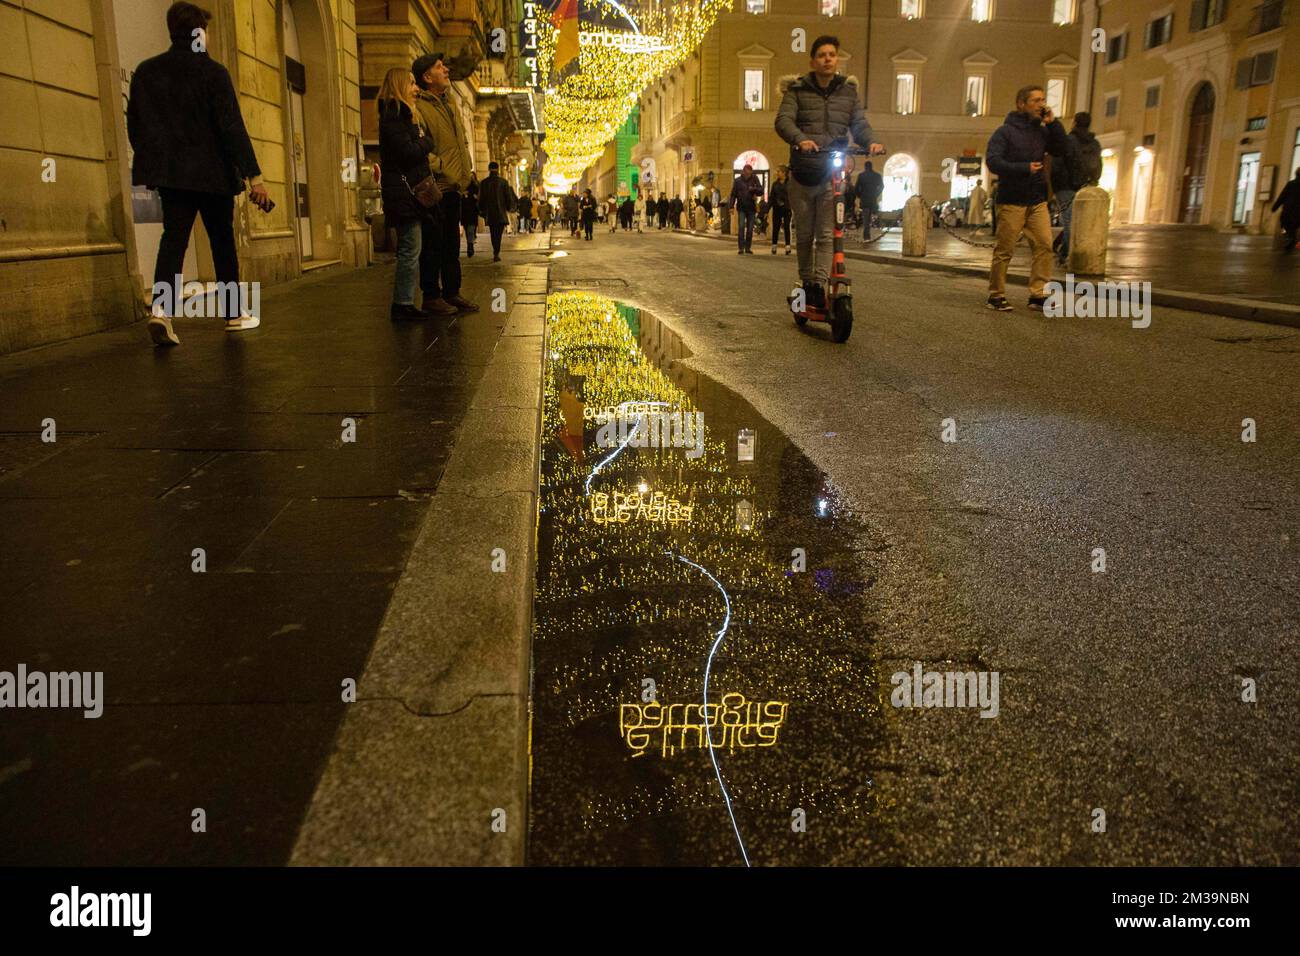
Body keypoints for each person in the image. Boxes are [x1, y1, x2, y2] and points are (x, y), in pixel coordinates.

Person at [130, 1, 266, 346]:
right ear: (199, 33)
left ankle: (161, 311)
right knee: (221, 241)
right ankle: (234, 314)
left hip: (172, 176)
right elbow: (232, 127)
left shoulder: (147, 71)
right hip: (213, 176)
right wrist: (254, 176)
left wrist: (157, 162)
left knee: (172, 241)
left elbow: (137, 128)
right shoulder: (213, 73)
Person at [775, 34, 883, 309]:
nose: (827, 59)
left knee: (826, 234)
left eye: (832, 55)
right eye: (822, 55)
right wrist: (800, 139)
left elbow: (858, 123)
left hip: (830, 175)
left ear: (837, 59)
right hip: (802, 172)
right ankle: (806, 281)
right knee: (804, 234)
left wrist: (870, 141)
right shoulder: (797, 90)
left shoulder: (847, 92)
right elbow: (783, 120)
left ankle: (819, 284)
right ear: (813, 60)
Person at [984, 84, 1068, 311]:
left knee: (1044, 245)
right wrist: (1024, 168)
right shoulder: (1004, 132)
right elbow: (993, 161)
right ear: (1021, 104)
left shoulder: (1042, 130)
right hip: (1012, 198)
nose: (1042, 105)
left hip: (1037, 198)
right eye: (1036, 101)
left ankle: (1038, 294)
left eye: (1043, 100)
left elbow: (1061, 148)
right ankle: (996, 294)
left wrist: (1054, 123)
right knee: (1005, 250)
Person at [412, 52, 478, 314]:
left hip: (454, 187)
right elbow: (420, 146)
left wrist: (465, 172)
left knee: (451, 243)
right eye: (440, 68)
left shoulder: (448, 103)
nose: (447, 70)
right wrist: (443, 170)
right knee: (433, 244)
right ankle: (432, 295)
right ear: (427, 77)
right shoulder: (420, 107)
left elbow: (460, 143)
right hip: (438, 186)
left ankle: (452, 293)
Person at [377, 68, 437, 320]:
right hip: (403, 193)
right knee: (410, 249)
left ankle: (406, 302)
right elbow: (408, 152)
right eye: (411, 83)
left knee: (413, 247)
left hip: (407, 192)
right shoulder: (394, 115)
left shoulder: (403, 116)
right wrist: (426, 142)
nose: (416, 88)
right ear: (400, 86)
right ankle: (402, 304)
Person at [1053, 112, 1101, 263]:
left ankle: (1066, 253)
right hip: (1085, 186)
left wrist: (1054, 187)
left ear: (1074, 122)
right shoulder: (1094, 144)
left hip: (1066, 186)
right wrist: (1093, 181)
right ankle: (1065, 250)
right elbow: (1098, 164)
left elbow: (1057, 165)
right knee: (1078, 221)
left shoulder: (1068, 141)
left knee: (1069, 221)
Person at [477, 161, 515, 262]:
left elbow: (481, 199)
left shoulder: (484, 183)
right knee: (498, 233)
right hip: (501, 212)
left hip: (490, 213)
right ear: (497, 169)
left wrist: (481, 210)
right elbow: (508, 197)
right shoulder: (503, 182)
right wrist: (509, 207)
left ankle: (495, 251)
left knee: (493, 233)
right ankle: (496, 251)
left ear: (489, 169)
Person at [730, 163, 761, 254]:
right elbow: (733, 194)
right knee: (741, 227)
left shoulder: (754, 179)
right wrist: (731, 206)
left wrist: (754, 189)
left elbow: (761, 190)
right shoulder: (737, 181)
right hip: (742, 207)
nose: (748, 175)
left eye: (750, 173)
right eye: (747, 173)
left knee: (750, 228)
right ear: (743, 172)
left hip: (751, 207)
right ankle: (740, 248)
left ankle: (747, 247)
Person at [854, 161, 883, 240]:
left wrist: (860, 195)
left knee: (866, 219)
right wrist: (876, 194)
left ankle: (866, 236)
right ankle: (869, 234)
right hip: (873, 199)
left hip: (865, 199)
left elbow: (856, 188)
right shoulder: (877, 176)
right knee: (871, 217)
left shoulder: (861, 176)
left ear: (865, 167)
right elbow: (882, 186)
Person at [1273, 167, 1300, 251]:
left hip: (1288, 210)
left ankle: (1289, 238)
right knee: (1294, 226)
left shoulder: (1291, 184)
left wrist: (1275, 206)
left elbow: (1282, 196)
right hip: (1298, 211)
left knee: (1284, 225)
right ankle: (1291, 239)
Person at [769, 166, 792, 254]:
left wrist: (788, 204)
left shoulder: (790, 183)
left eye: (779, 171)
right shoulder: (775, 184)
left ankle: (787, 246)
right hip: (777, 208)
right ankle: (774, 246)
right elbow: (771, 197)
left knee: (787, 227)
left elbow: (792, 195)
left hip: (787, 208)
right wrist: (767, 210)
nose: (777, 173)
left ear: (784, 173)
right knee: (776, 227)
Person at [461, 176, 479, 258]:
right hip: (464, 213)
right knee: (467, 229)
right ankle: (470, 244)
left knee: (470, 230)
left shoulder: (475, 187)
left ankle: (470, 246)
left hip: (472, 212)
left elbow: (478, 198)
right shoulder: (461, 187)